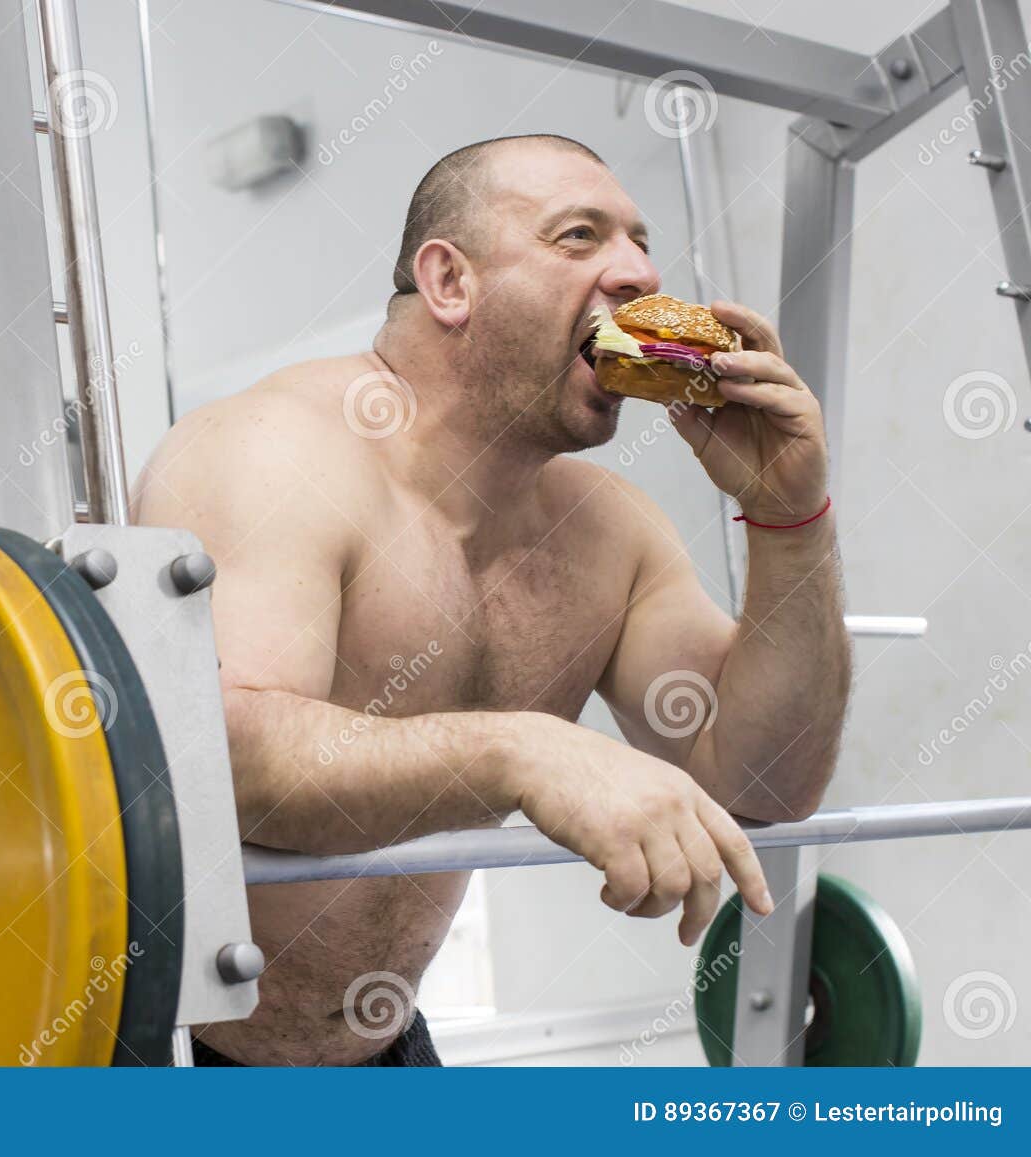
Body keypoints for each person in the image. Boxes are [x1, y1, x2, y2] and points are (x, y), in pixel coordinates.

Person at [134, 134, 851, 1066]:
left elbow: (767, 782)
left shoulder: (607, 531)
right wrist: (525, 750)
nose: (638, 273)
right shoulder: (274, 453)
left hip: (385, 1049)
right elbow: (226, 760)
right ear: (449, 282)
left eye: (640, 244)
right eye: (579, 236)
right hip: (161, 1049)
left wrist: (791, 518)